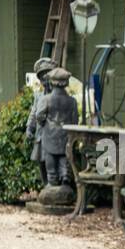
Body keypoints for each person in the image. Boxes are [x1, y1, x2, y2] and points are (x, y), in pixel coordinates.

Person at [35, 67, 80, 206]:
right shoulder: (72, 101)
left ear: (52, 82)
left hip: (49, 134)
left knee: (50, 159)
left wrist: (45, 124)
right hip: (65, 135)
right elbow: (75, 120)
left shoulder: (46, 99)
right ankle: (65, 180)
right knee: (64, 159)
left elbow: (39, 116)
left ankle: (52, 182)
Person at [24, 57, 57, 186]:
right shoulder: (38, 96)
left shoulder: (58, 95)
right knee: (41, 161)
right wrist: (29, 128)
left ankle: (54, 184)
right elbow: (33, 113)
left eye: (47, 76)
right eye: (42, 77)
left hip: (53, 135)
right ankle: (45, 185)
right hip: (40, 135)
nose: (45, 80)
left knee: (53, 161)